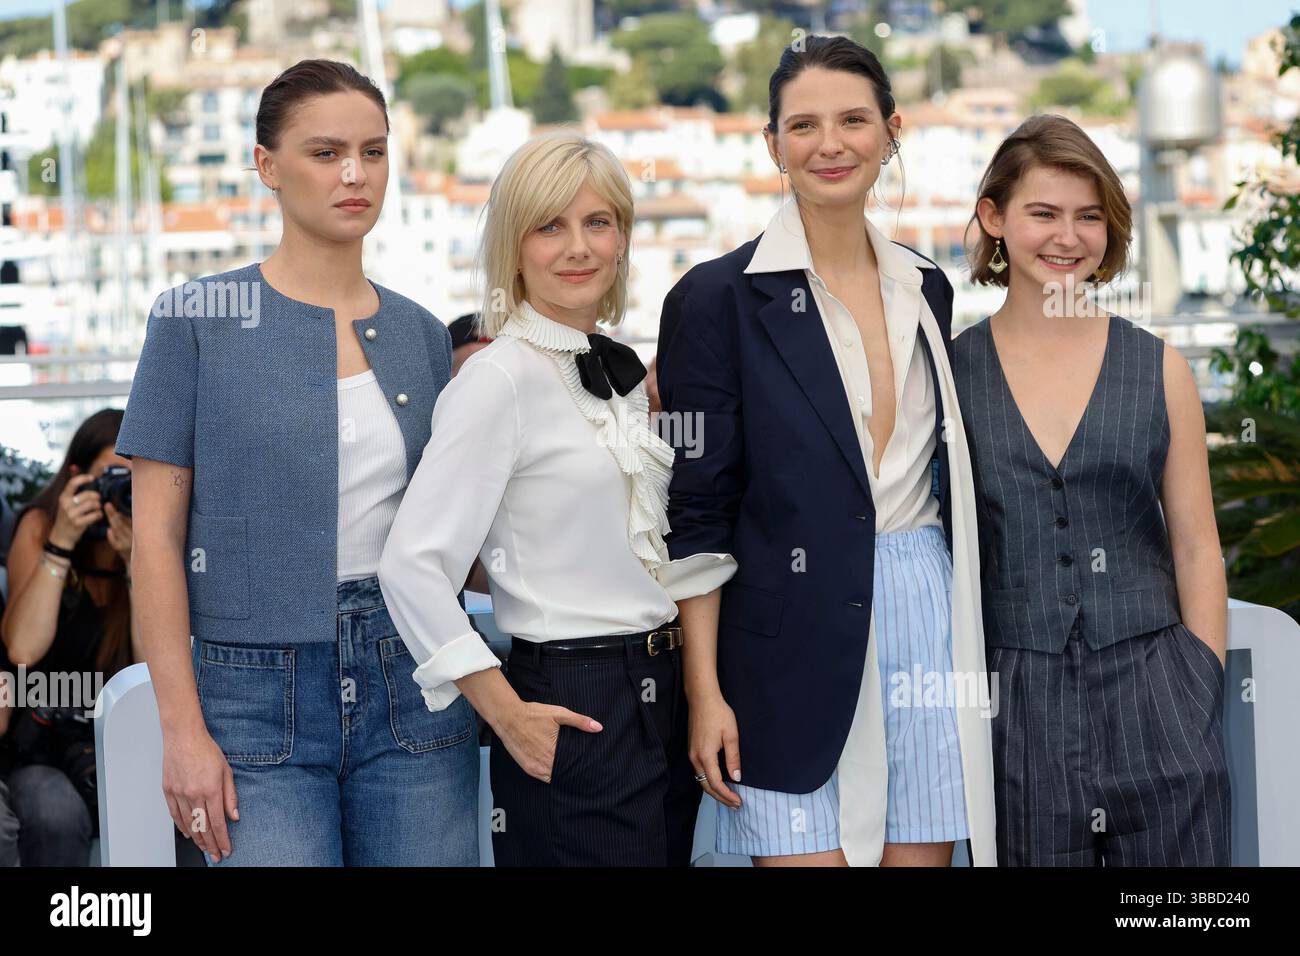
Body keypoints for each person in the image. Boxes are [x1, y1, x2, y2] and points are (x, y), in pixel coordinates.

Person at [116, 59, 476, 867]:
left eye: (374, 151)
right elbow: (155, 545)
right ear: (267, 166)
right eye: (325, 152)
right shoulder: (193, 321)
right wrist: (182, 731)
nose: (355, 174)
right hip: (247, 698)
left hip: (414, 676)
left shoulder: (421, 334)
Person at [655, 35, 996, 867]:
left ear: (891, 132)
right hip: (780, 639)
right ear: (772, 144)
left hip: (926, 611)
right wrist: (705, 693)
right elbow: (694, 512)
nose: (829, 143)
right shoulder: (711, 300)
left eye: (852, 120)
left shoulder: (927, 287)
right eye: (802, 126)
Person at [378, 130, 708, 866]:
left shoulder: (619, 373)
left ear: (623, 236)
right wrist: (502, 710)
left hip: (660, 688)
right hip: (574, 697)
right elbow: (410, 564)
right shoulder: (497, 380)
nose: (578, 247)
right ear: (515, 246)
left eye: (599, 222)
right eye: (550, 226)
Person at [953, 114, 1231, 866]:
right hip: (1015, 702)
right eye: (1043, 213)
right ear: (995, 219)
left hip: (1156, 686)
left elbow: (1198, 544)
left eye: (1089, 216)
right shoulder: (949, 376)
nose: (1067, 237)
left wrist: (1196, 686)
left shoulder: (1159, 367)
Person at [0, 409, 136, 866]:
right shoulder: (41, 525)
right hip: (43, 740)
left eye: (136, 478)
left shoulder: (149, 535)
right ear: (76, 477)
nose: (123, 493)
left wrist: (137, 565)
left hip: (122, 739)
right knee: (50, 809)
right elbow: (22, 649)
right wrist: (61, 542)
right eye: (113, 477)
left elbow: (149, 669)